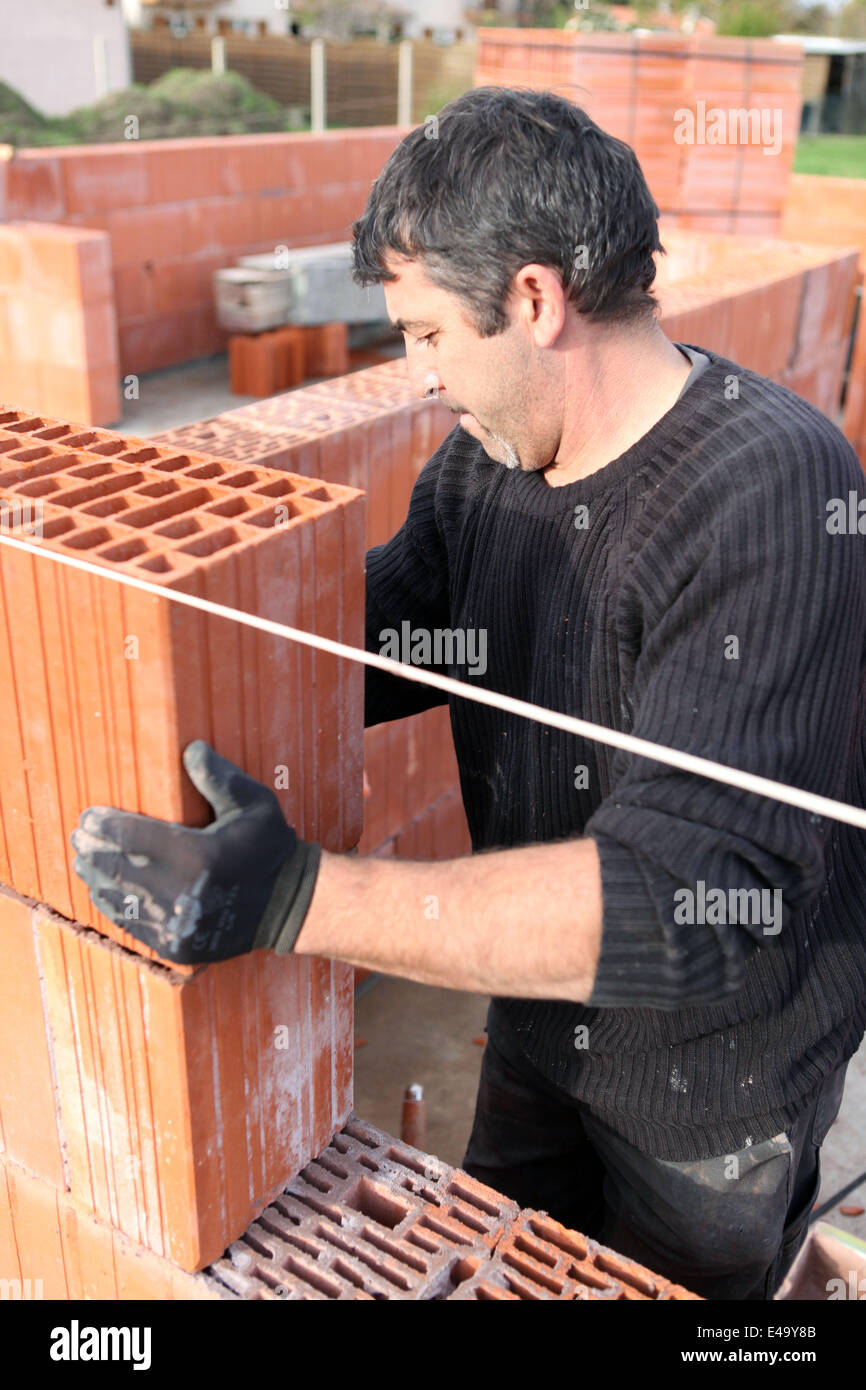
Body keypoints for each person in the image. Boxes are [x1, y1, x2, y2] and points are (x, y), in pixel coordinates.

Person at [71, 88, 866, 1301]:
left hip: (711, 1097)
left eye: (427, 333)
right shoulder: (484, 466)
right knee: (501, 1263)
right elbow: (378, 641)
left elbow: (682, 908)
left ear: (534, 299)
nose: (417, 374)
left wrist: (294, 895)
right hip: (543, 1022)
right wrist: (135, 644)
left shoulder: (772, 495)